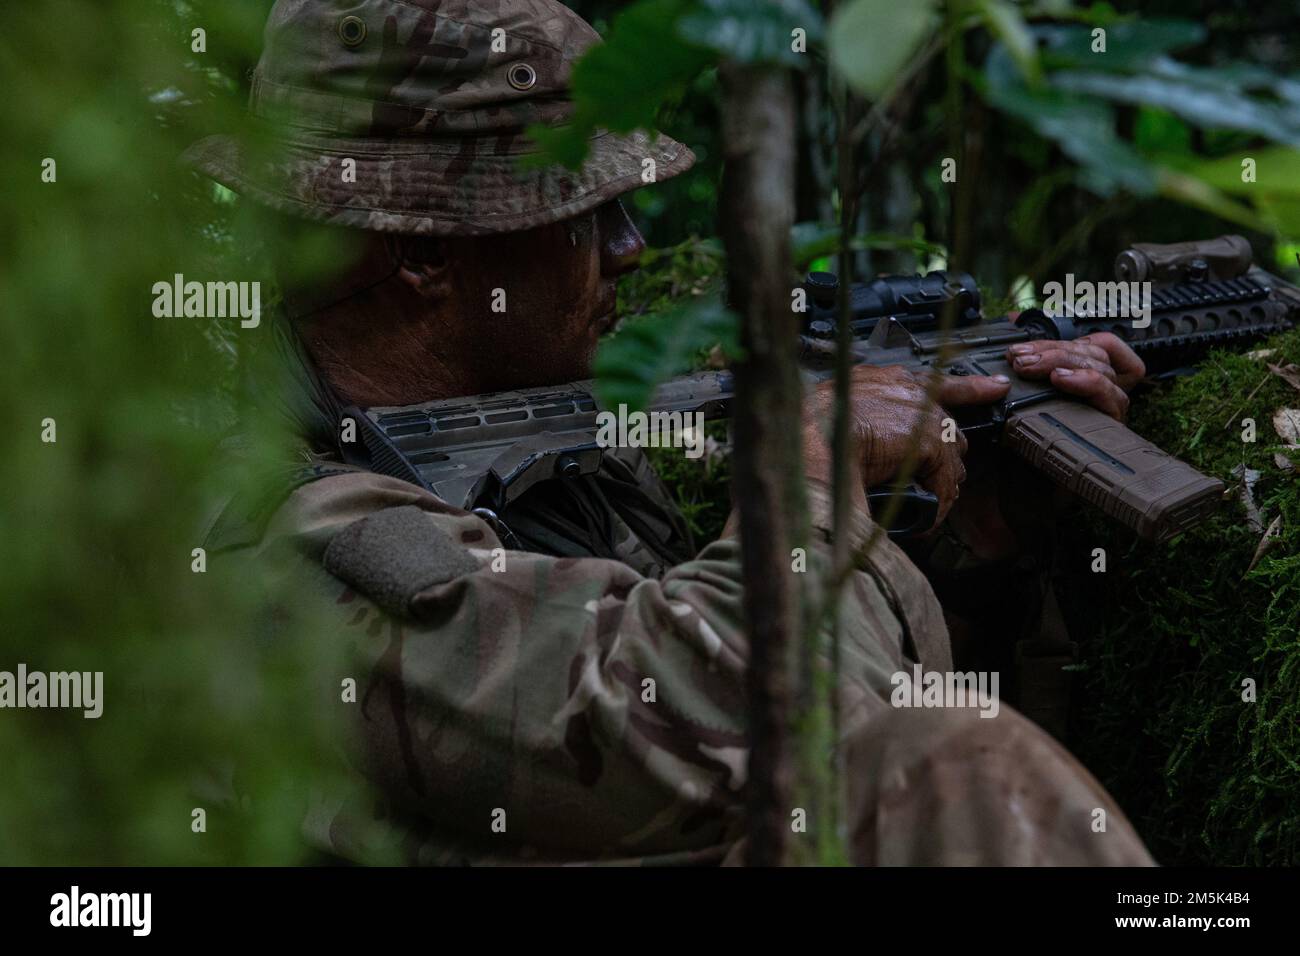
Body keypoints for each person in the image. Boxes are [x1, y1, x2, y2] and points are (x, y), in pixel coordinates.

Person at [188, 0, 1153, 865]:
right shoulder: (284, 541)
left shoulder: (552, 469)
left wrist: (962, 546)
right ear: (425, 255)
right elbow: (734, 731)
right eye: (585, 214)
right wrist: (807, 481)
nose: (629, 249)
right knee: (953, 767)